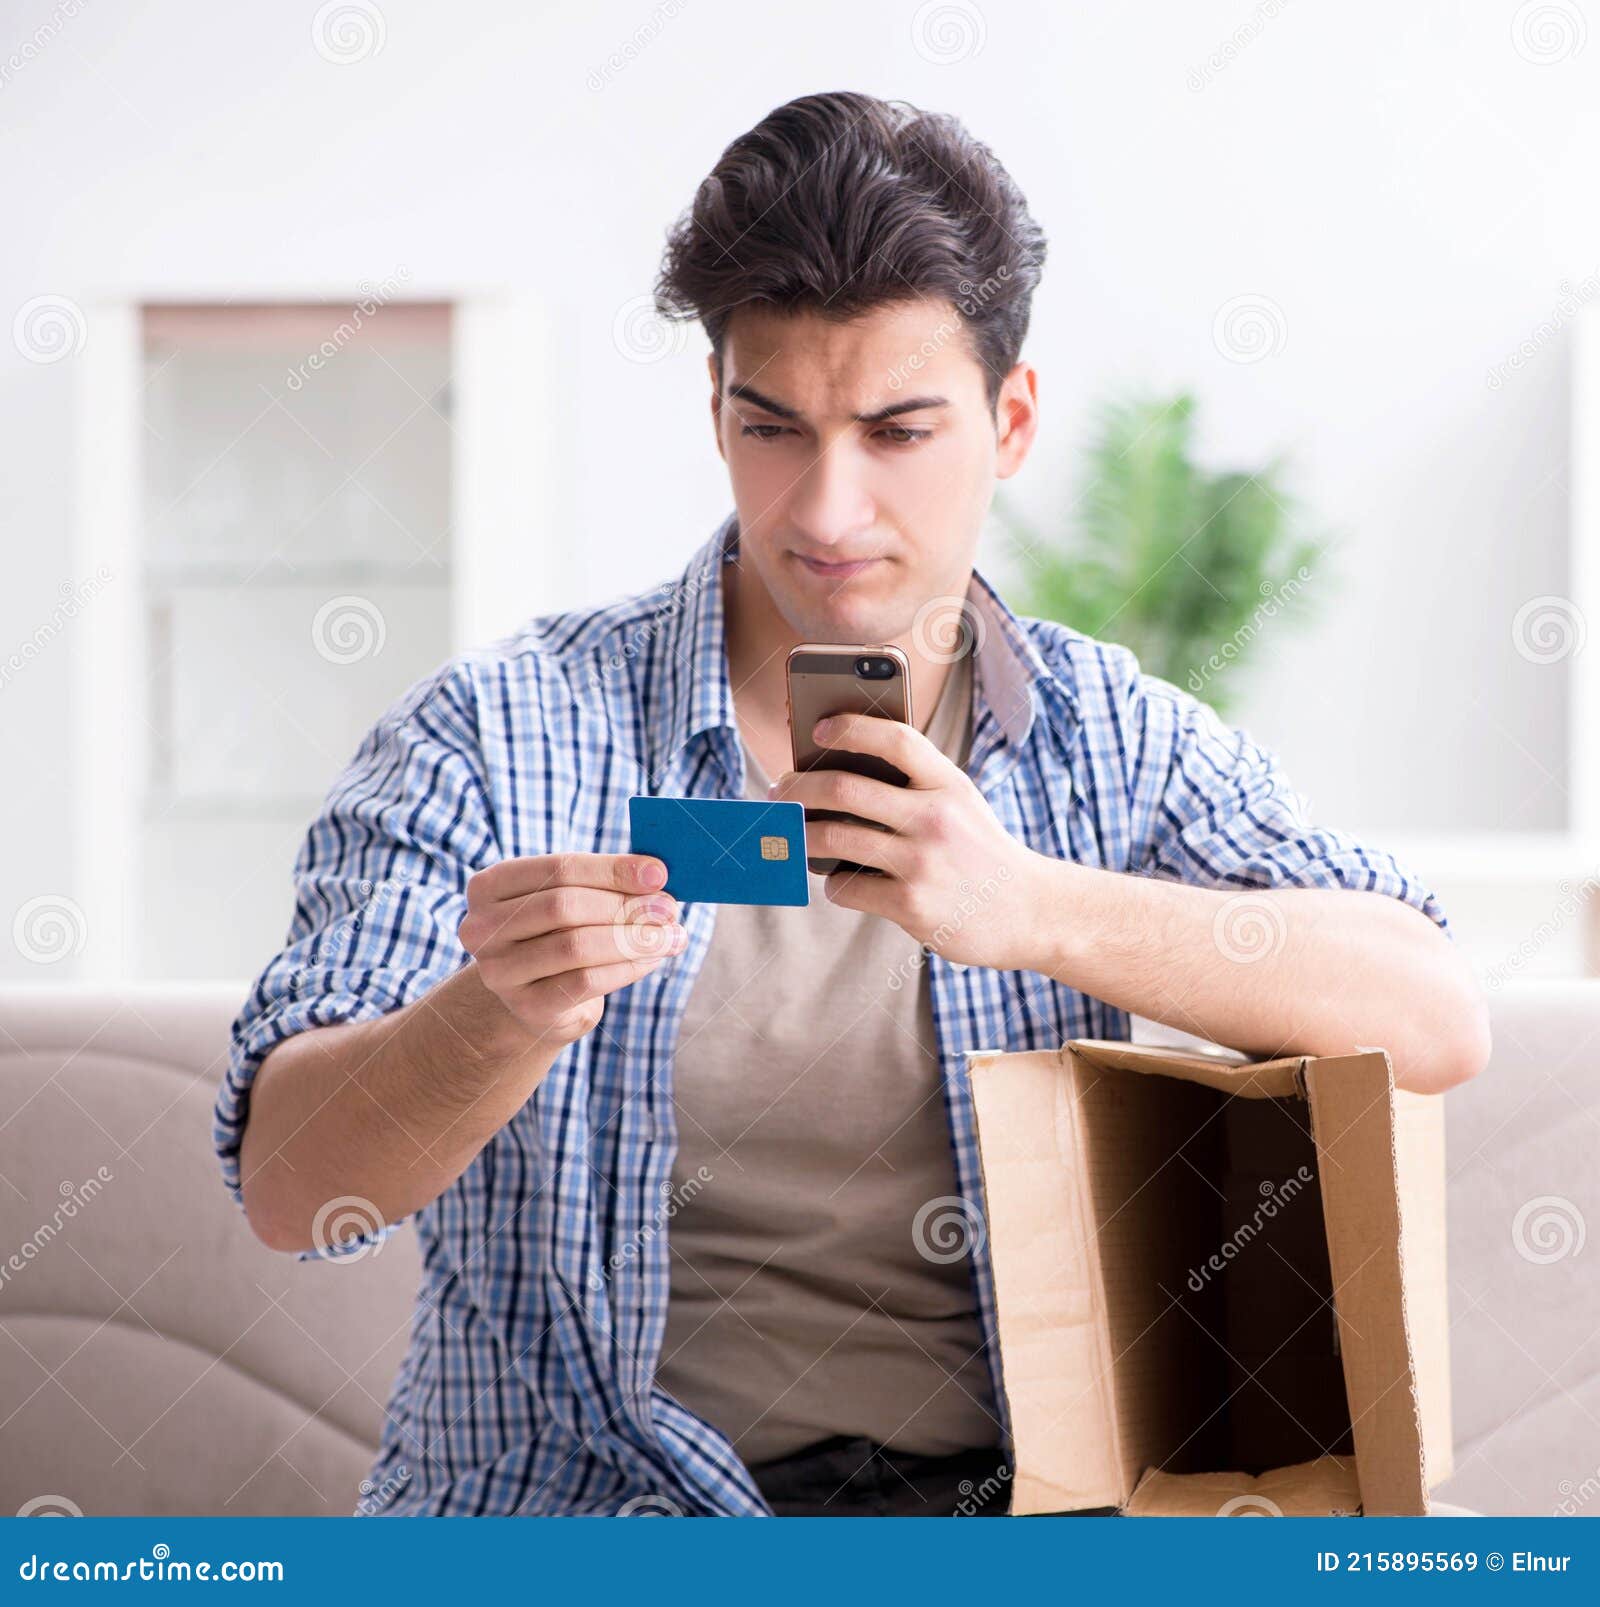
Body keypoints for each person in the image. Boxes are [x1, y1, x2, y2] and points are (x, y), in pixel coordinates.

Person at [214, 90, 1489, 1518]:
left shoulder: (1106, 736)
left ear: (1009, 422)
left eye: (895, 432)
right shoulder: (497, 733)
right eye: (775, 429)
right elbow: (289, 1187)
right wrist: (493, 1014)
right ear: (715, 413)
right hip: (577, 1523)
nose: (824, 512)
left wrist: (1037, 909)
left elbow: (1433, 1016)